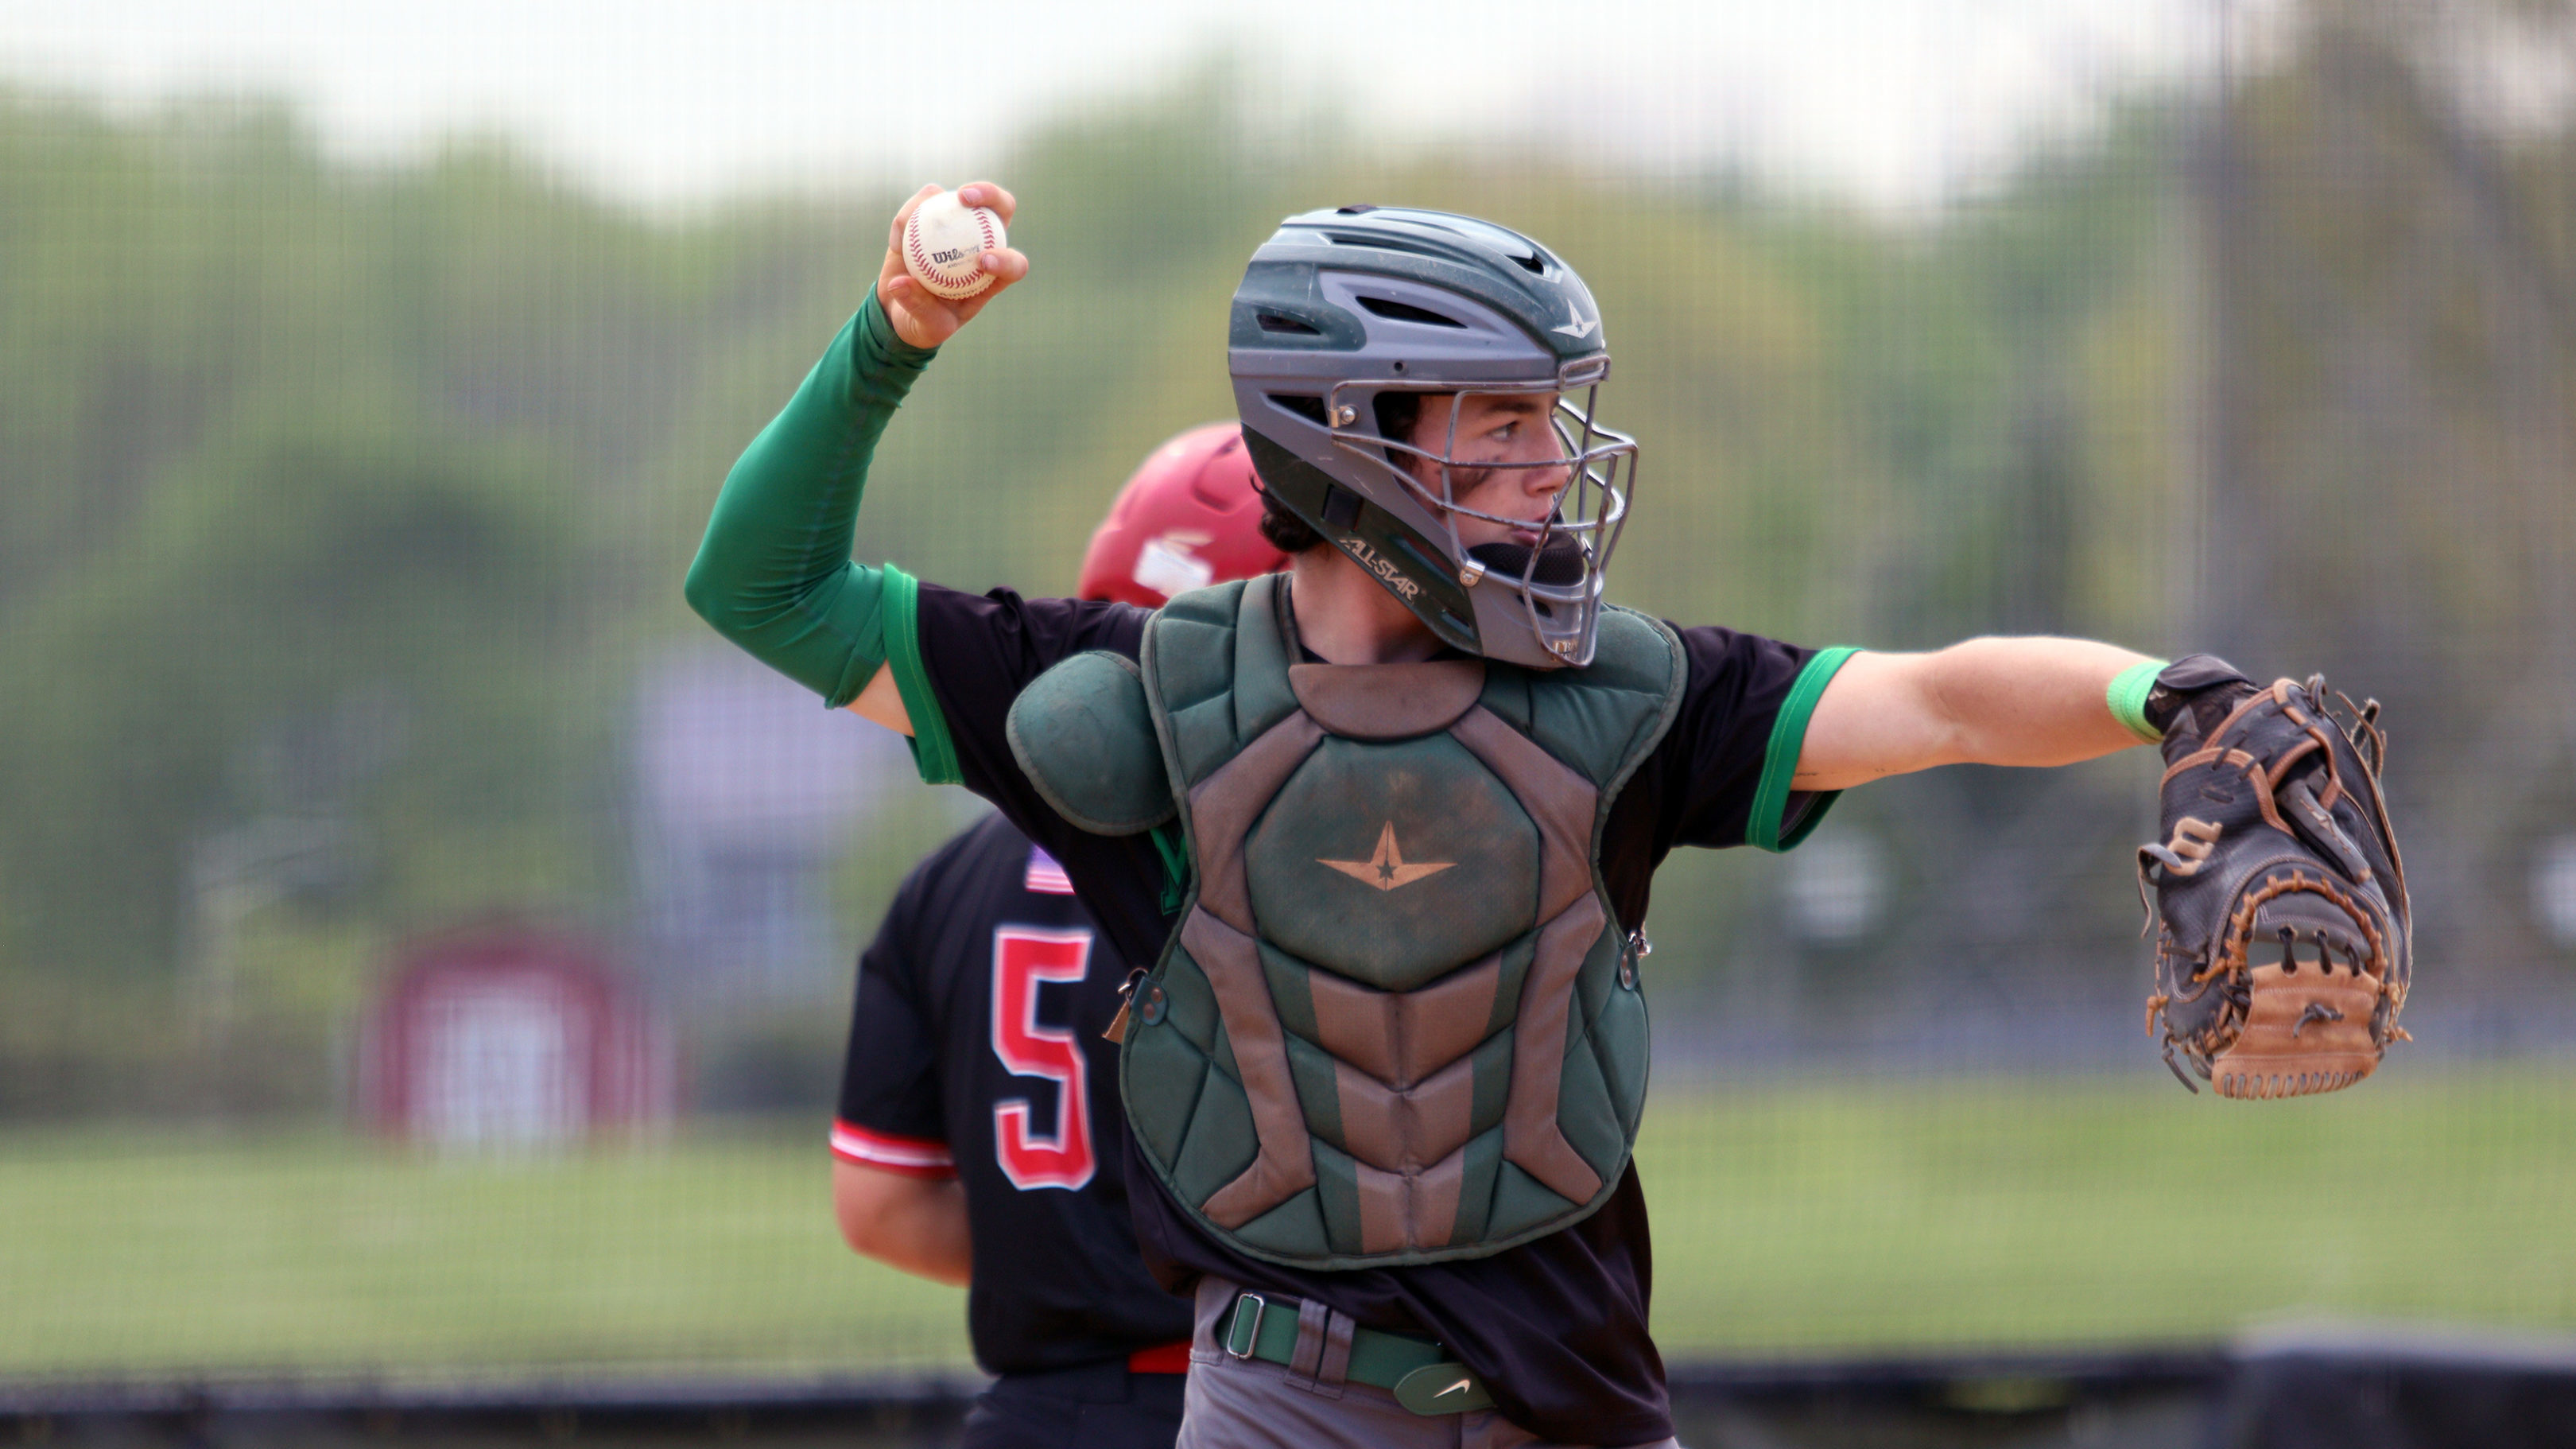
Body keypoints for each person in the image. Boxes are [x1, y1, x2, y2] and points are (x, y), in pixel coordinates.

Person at [687, 183, 2242, 1448]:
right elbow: (762, 585)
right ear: (1346, 430)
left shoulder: (1622, 693)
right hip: (1281, 1405)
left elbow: (1943, 698)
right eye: (1500, 430)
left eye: (1548, 427)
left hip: (1569, 1402)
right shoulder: (1141, 695)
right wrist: (892, 336)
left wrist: (2167, 698)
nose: (1547, 476)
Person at [827, 423, 1286, 1449]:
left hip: (1035, 1416)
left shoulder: (944, 883)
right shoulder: (1314, 866)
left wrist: (1065, 1261)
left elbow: (878, 1203)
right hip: (1267, 1408)